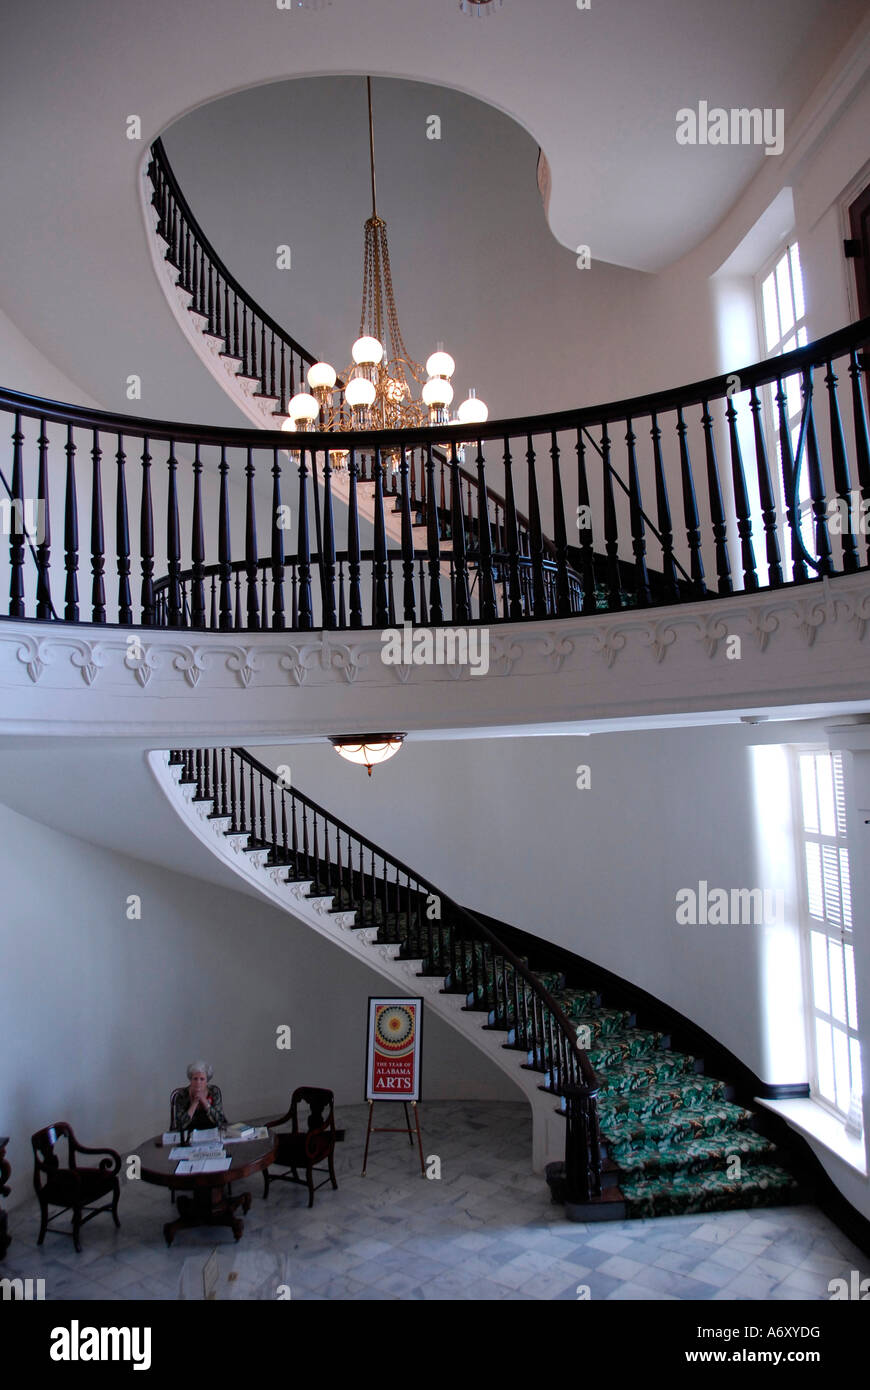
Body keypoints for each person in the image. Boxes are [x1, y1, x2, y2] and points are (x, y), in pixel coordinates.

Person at [173, 1060, 227, 1133]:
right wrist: (194, 1103)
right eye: (195, 1079)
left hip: (212, 1133)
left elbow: (220, 1121)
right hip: (189, 1136)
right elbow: (180, 1126)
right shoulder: (181, 1095)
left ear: (207, 1080)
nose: (198, 1082)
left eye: (202, 1079)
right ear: (190, 1079)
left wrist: (204, 1101)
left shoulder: (214, 1092)